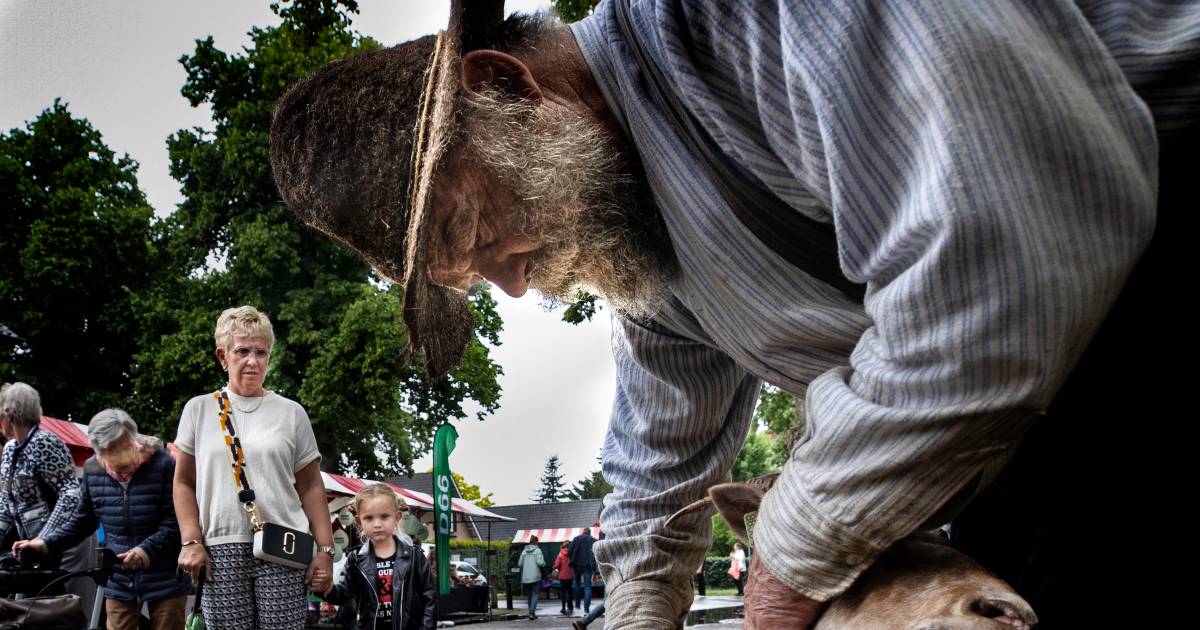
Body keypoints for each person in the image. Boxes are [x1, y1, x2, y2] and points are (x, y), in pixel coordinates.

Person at [269, 1, 1197, 627]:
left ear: (508, 87)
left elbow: (1000, 272)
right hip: (1043, 445)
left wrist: (785, 567)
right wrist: (640, 608)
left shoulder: (751, 18)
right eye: (477, 278)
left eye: (480, 229)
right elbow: (658, 473)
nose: (515, 284)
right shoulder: (639, 236)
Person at [174, 306, 336, 629]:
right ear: (223, 356)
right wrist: (191, 540)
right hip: (220, 549)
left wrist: (326, 551)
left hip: (284, 545)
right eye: (242, 351)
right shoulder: (198, 409)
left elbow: (311, 487)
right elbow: (183, 482)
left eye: (261, 352)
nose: (252, 360)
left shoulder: (291, 413)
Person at [13, 409, 191, 630]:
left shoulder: (164, 464)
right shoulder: (93, 469)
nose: (123, 457)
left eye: (126, 447)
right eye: (112, 452)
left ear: (133, 439)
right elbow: (82, 521)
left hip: (165, 576)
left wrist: (145, 551)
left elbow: (175, 522)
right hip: (119, 577)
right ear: (99, 452)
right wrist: (45, 543)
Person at [325, 484, 435, 630]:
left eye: (384, 516)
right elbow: (343, 595)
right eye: (369, 518)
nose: (377, 524)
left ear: (397, 517)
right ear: (359, 522)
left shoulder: (415, 556)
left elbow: (429, 599)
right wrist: (325, 588)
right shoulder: (355, 559)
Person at [0, 383, 81, 570]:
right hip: (34, 547)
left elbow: (71, 494)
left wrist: (43, 538)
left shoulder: (45, 441)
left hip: (67, 545)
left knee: (66, 599)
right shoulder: (11, 449)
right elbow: (5, 505)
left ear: (10, 412)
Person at [567, 526, 597, 615]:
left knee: (577, 583)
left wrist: (573, 559)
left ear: (583, 532)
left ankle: (577, 603)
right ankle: (586, 609)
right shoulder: (593, 540)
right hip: (588, 566)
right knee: (587, 586)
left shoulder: (576, 539)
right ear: (589, 533)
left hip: (577, 565)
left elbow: (569, 552)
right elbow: (596, 554)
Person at [516, 535, 545, 620]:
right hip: (536, 576)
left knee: (529, 595)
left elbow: (519, 564)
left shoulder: (524, 551)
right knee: (535, 594)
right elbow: (540, 563)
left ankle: (531, 613)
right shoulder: (537, 550)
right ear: (536, 542)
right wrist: (544, 563)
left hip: (525, 577)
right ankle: (532, 612)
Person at [553, 541, 574, 615]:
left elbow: (556, 565)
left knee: (563, 592)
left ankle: (563, 608)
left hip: (562, 577)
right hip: (570, 576)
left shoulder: (560, 555)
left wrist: (554, 568)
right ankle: (570, 606)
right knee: (570, 591)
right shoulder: (571, 554)